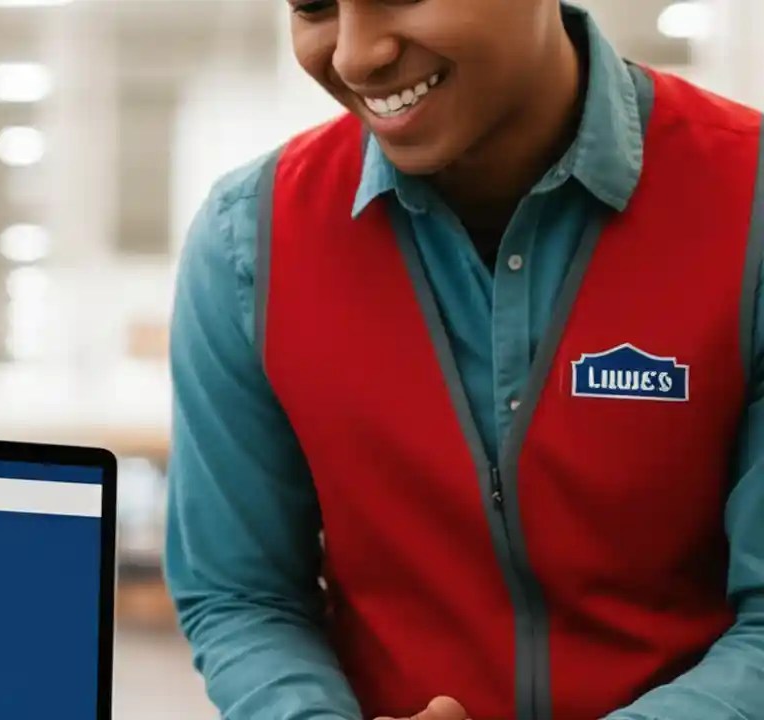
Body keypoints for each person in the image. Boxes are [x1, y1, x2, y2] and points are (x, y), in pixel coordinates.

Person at [164, 1, 764, 718]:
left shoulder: (748, 204)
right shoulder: (248, 246)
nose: (355, 56)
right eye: (315, 7)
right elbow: (241, 594)